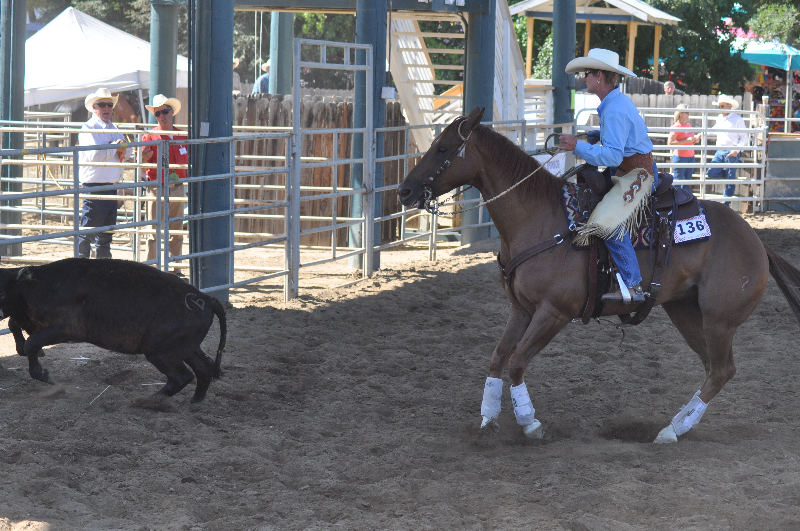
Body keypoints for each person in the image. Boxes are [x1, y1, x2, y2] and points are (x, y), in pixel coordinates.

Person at [557, 48, 659, 303]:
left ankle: (634, 287)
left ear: (599, 76)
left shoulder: (613, 109)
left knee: (606, 222)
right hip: (627, 169)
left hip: (638, 174)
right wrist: (596, 136)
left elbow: (613, 156)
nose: (584, 78)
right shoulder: (615, 102)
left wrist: (576, 146)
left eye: (587, 74)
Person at [78, 88, 131, 259]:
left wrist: (120, 145)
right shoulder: (88, 128)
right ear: (94, 107)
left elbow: (128, 150)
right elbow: (94, 154)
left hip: (110, 187)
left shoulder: (112, 127)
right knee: (88, 232)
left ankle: (101, 268)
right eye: (102, 105)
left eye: (109, 104)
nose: (107, 108)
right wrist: (116, 146)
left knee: (106, 234)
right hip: (94, 187)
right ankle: (80, 266)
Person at [140, 94, 188, 269]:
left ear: (172, 112)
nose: (162, 116)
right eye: (158, 113)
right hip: (157, 186)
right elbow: (143, 164)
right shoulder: (149, 137)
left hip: (177, 186)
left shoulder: (182, 135)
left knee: (176, 230)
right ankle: (151, 268)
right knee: (153, 231)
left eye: (165, 111)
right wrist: (143, 157)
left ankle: (175, 266)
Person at [706, 94, 748, 205]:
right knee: (711, 173)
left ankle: (726, 203)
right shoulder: (720, 118)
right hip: (720, 151)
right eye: (720, 106)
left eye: (722, 106)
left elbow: (744, 137)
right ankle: (730, 176)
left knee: (729, 180)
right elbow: (714, 130)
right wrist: (702, 133)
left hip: (731, 151)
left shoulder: (738, 119)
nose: (720, 108)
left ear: (729, 106)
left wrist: (736, 150)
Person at [667, 103, 700, 191]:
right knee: (678, 181)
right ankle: (675, 201)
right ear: (680, 114)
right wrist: (687, 141)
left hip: (690, 156)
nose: (689, 114)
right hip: (680, 156)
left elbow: (689, 140)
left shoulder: (688, 125)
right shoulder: (676, 126)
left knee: (687, 182)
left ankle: (685, 202)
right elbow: (670, 143)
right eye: (686, 112)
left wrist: (695, 139)